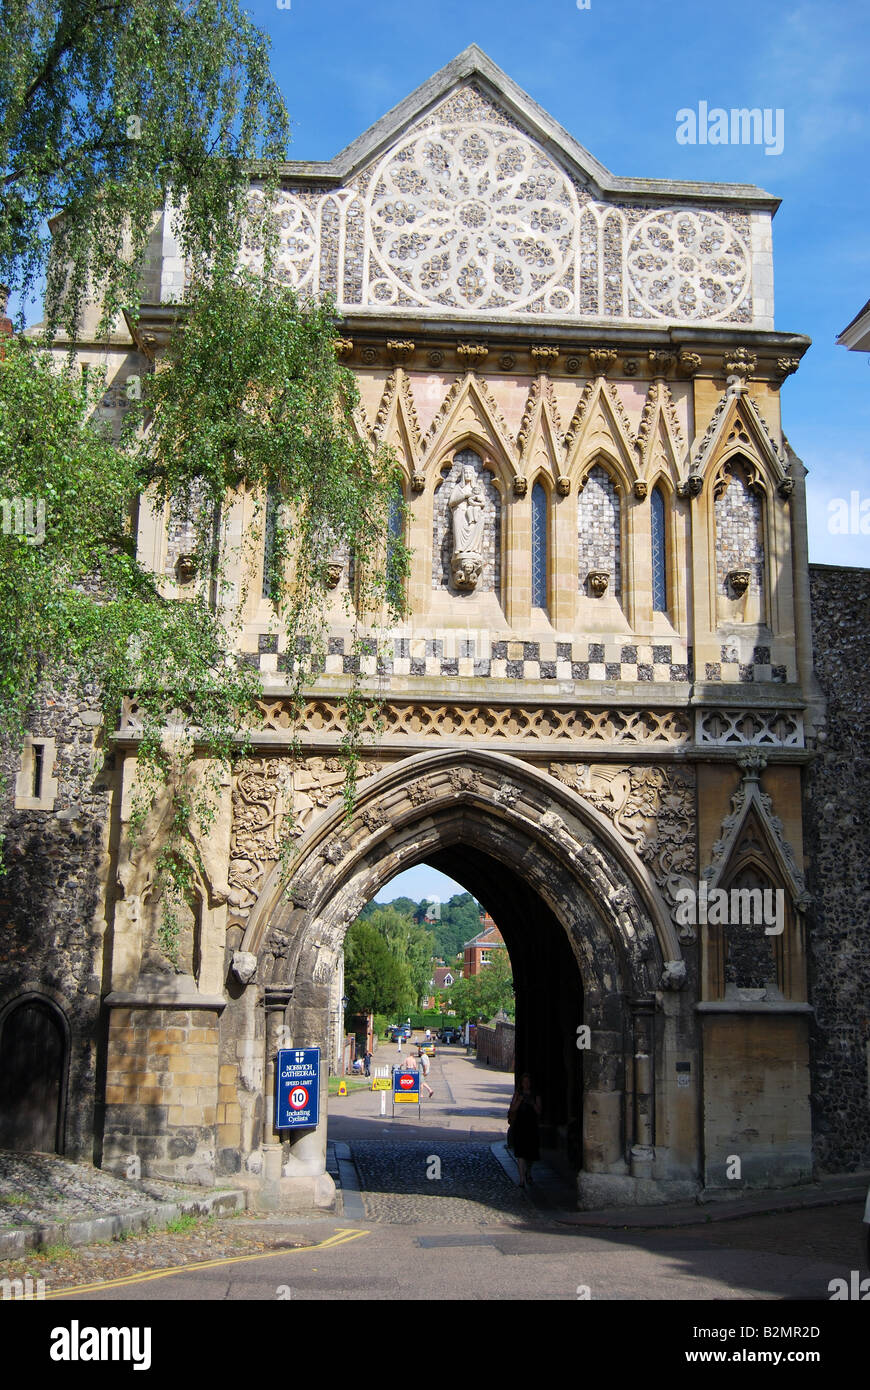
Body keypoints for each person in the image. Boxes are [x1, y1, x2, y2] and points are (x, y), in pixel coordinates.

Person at [507, 1072, 541, 1188]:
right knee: (520, 1153)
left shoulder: (535, 1095)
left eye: (528, 1082)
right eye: (524, 1082)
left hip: (531, 1127)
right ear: (521, 1083)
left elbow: (539, 1111)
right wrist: (519, 1100)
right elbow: (512, 1109)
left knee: (530, 1154)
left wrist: (532, 1103)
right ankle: (522, 1179)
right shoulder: (518, 1094)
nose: (526, 1084)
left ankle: (528, 1172)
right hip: (520, 1127)